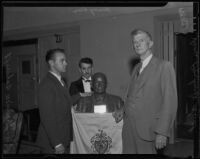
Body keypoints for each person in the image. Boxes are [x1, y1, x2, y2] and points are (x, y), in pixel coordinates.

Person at [121, 29, 178, 154]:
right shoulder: (136, 67)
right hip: (128, 129)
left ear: (150, 43)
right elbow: (132, 95)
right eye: (135, 42)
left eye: (141, 40)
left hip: (148, 130)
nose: (137, 44)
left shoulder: (164, 66)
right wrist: (122, 111)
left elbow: (170, 102)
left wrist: (162, 132)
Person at [36, 48, 72, 154]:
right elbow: (47, 117)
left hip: (63, 136)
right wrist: (56, 143)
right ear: (51, 63)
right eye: (62, 60)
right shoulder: (47, 84)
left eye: (65, 60)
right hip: (52, 142)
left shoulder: (60, 81)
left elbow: (64, 101)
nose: (66, 63)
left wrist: (80, 96)